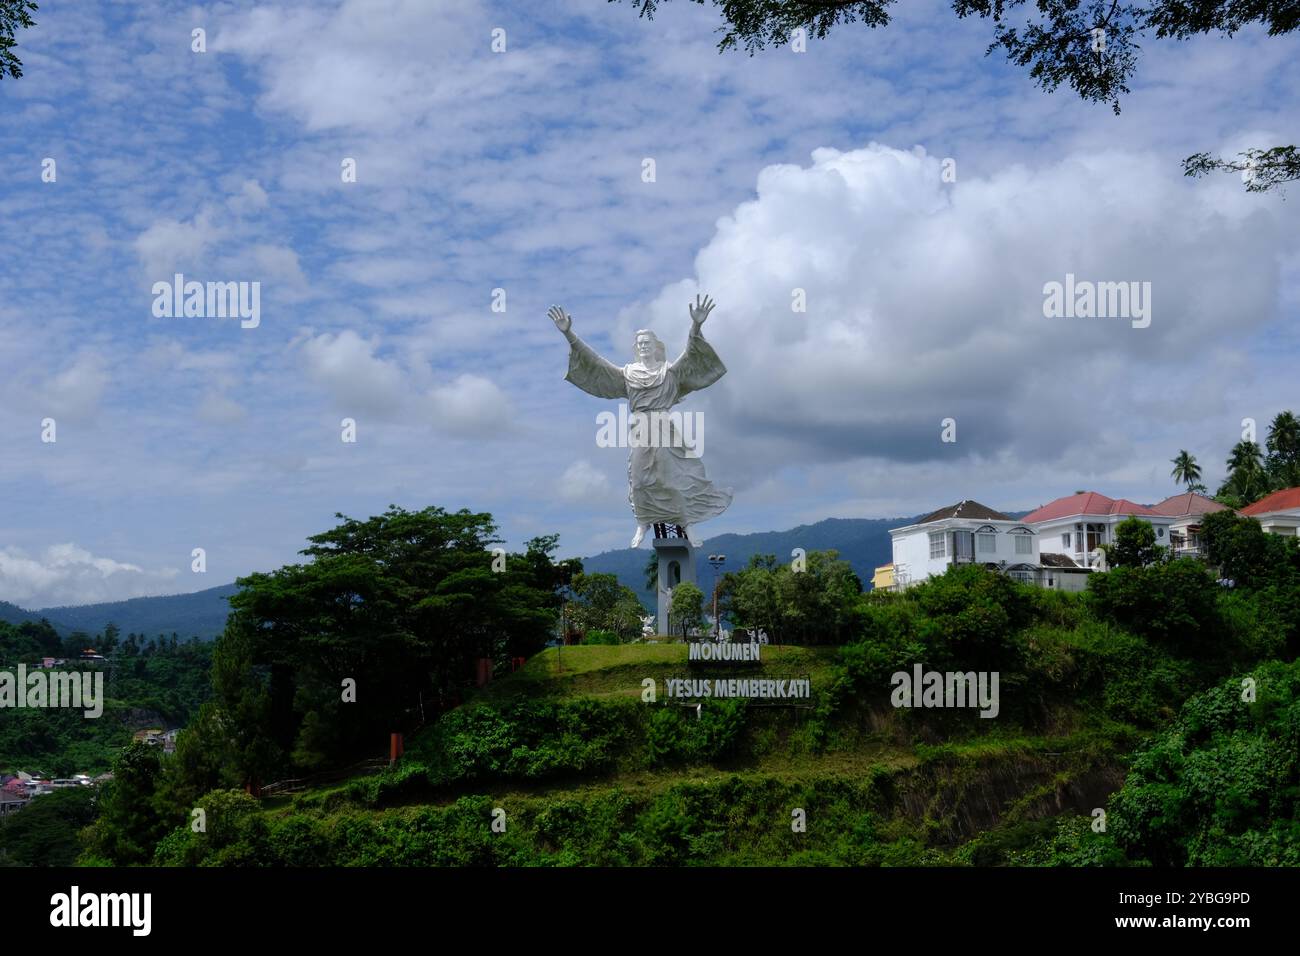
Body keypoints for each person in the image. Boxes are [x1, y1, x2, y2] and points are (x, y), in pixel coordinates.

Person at [550, 294, 732, 547]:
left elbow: (691, 353)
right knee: (638, 478)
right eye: (640, 343)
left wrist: (696, 325)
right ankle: (642, 523)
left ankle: (687, 525)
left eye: (647, 342)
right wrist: (569, 334)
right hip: (640, 428)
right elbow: (596, 364)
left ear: (655, 345)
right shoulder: (628, 373)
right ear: (636, 348)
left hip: (664, 428)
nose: (644, 346)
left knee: (672, 479)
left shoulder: (669, 371)